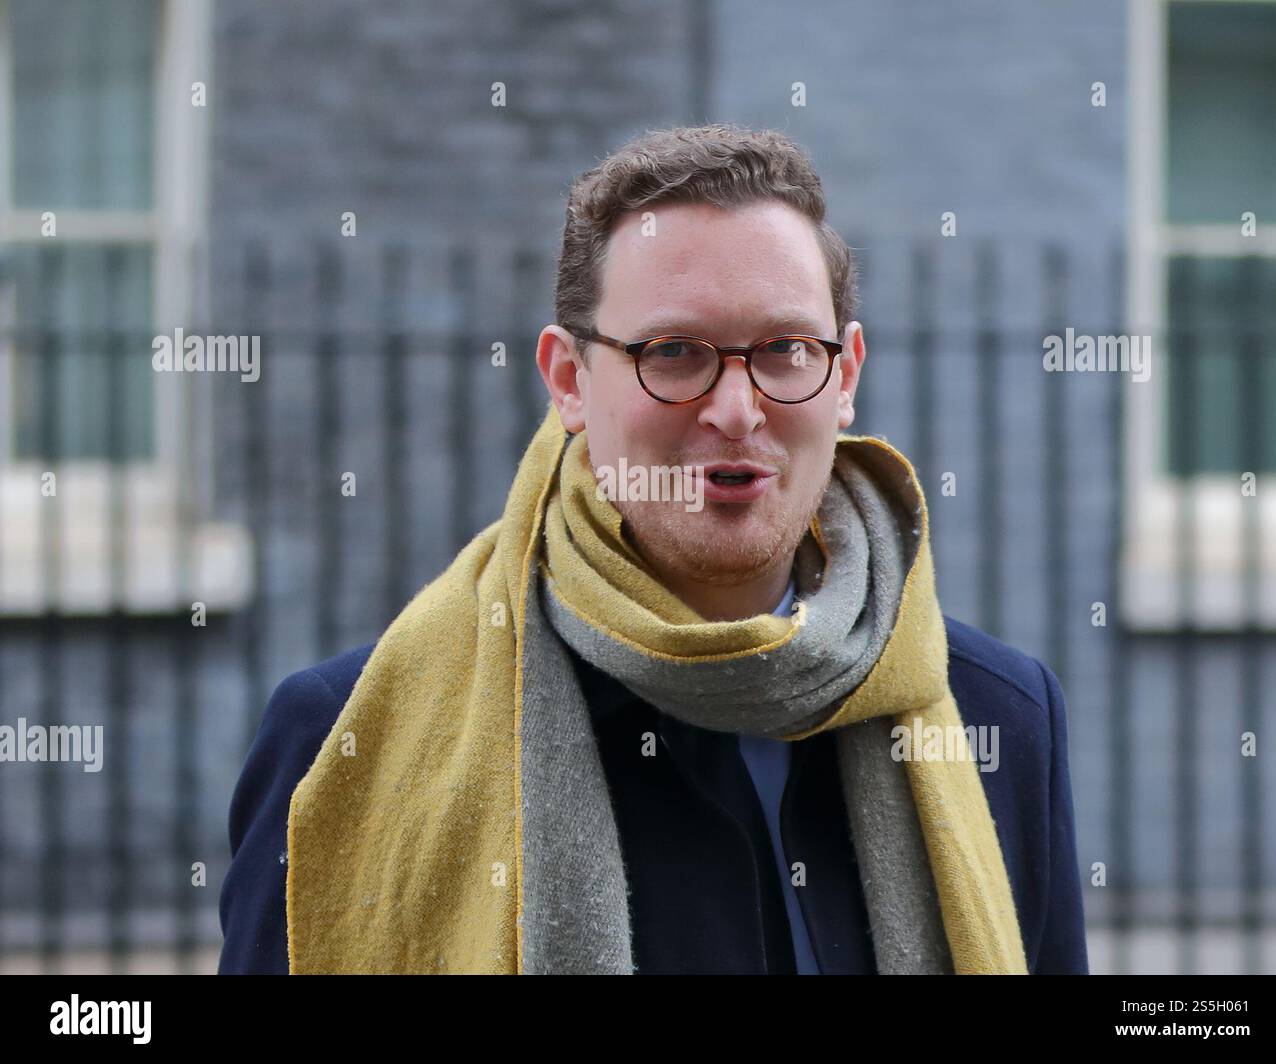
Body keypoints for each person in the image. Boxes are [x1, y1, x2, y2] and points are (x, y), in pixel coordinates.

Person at [218, 124, 1088, 975]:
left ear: (846, 375)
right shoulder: (346, 738)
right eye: (673, 352)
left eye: (787, 349)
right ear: (569, 380)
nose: (737, 411)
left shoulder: (997, 718)